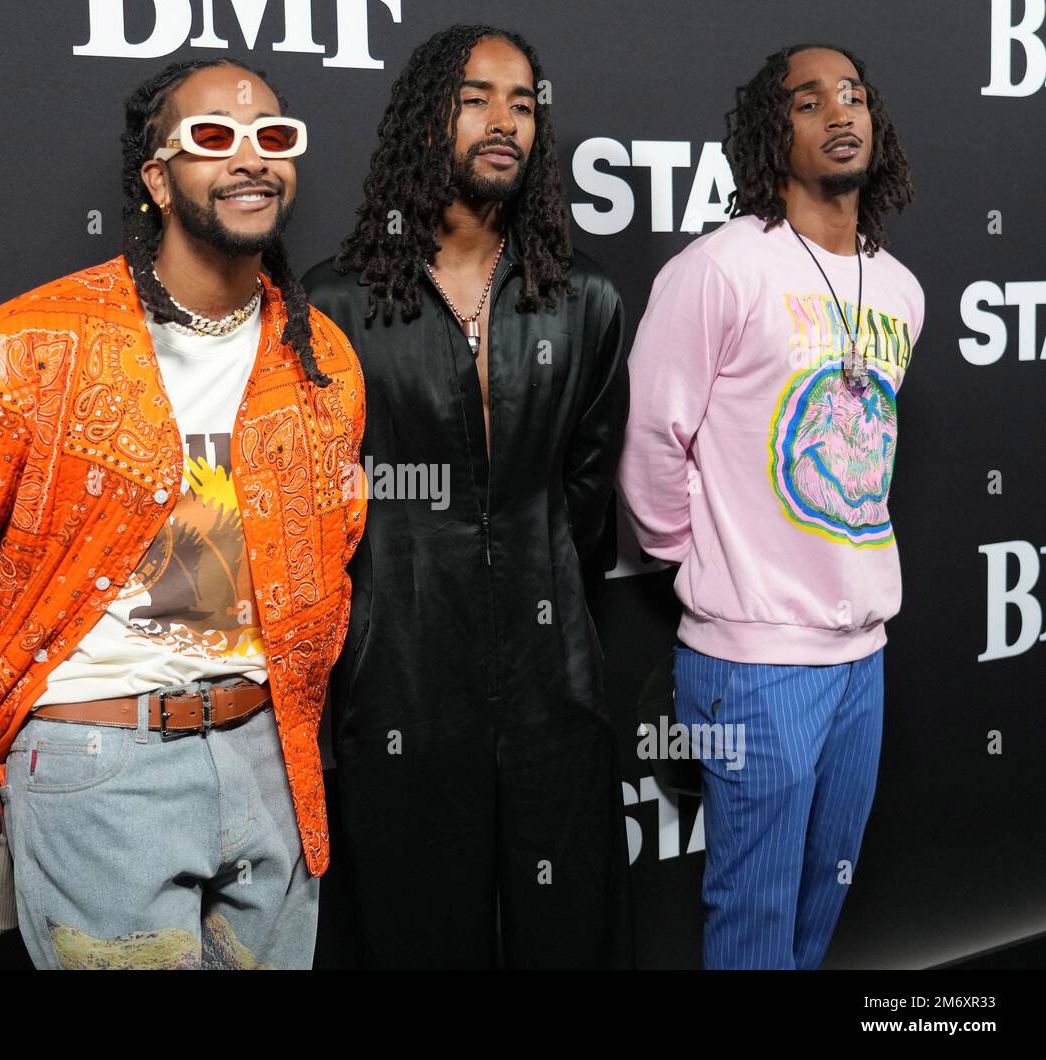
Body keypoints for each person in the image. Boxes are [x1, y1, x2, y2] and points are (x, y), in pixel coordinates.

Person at [0, 57, 366, 969]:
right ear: (158, 178)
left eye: (273, 137)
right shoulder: (29, 343)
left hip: (269, 761)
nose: (250, 158)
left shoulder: (320, 356)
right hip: (100, 767)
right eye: (213, 137)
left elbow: (337, 537)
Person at [304, 24, 632, 969]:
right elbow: (319, 515)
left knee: (569, 930)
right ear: (423, 118)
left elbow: (586, 492)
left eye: (523, 103)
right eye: (476, 97)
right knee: (414, 933)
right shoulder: (337, 303)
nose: (504, 122)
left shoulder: (587, 299)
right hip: (401, 679)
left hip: (552, 675)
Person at [617, 43, 923, 969]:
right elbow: (652, 442)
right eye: (808, 101)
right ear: (770, 130)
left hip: (861, 652)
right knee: (751, 916)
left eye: (856, 96)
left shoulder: (901, 292)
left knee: (820, 904)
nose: (840, 113)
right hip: (753, 664)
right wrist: (706, 566)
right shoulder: (719, 269)